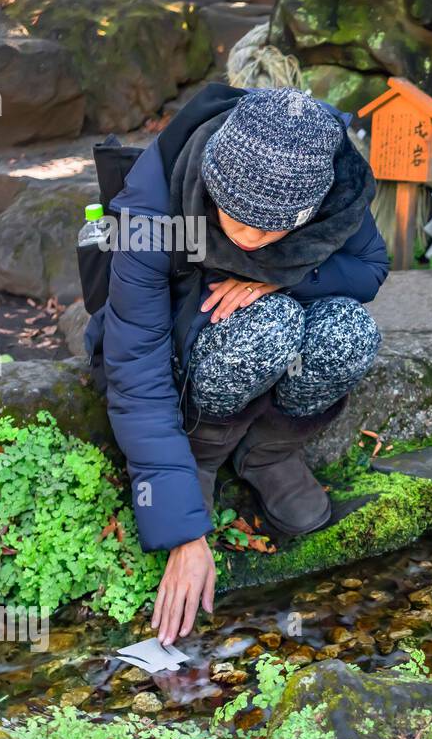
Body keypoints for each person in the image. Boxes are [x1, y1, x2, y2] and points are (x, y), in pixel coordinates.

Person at [85, 84, 388, 646]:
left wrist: (283, 273)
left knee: (350, 332)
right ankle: (204, 457)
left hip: (273, 311)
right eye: (233, 219)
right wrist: (181, 530)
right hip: (185, 336)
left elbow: (369, 268)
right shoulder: (154, 204)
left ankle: (268, 452)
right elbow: (136, 368)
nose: (247, 239)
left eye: (269, 231)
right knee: (268, 330)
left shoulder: (331, 179)